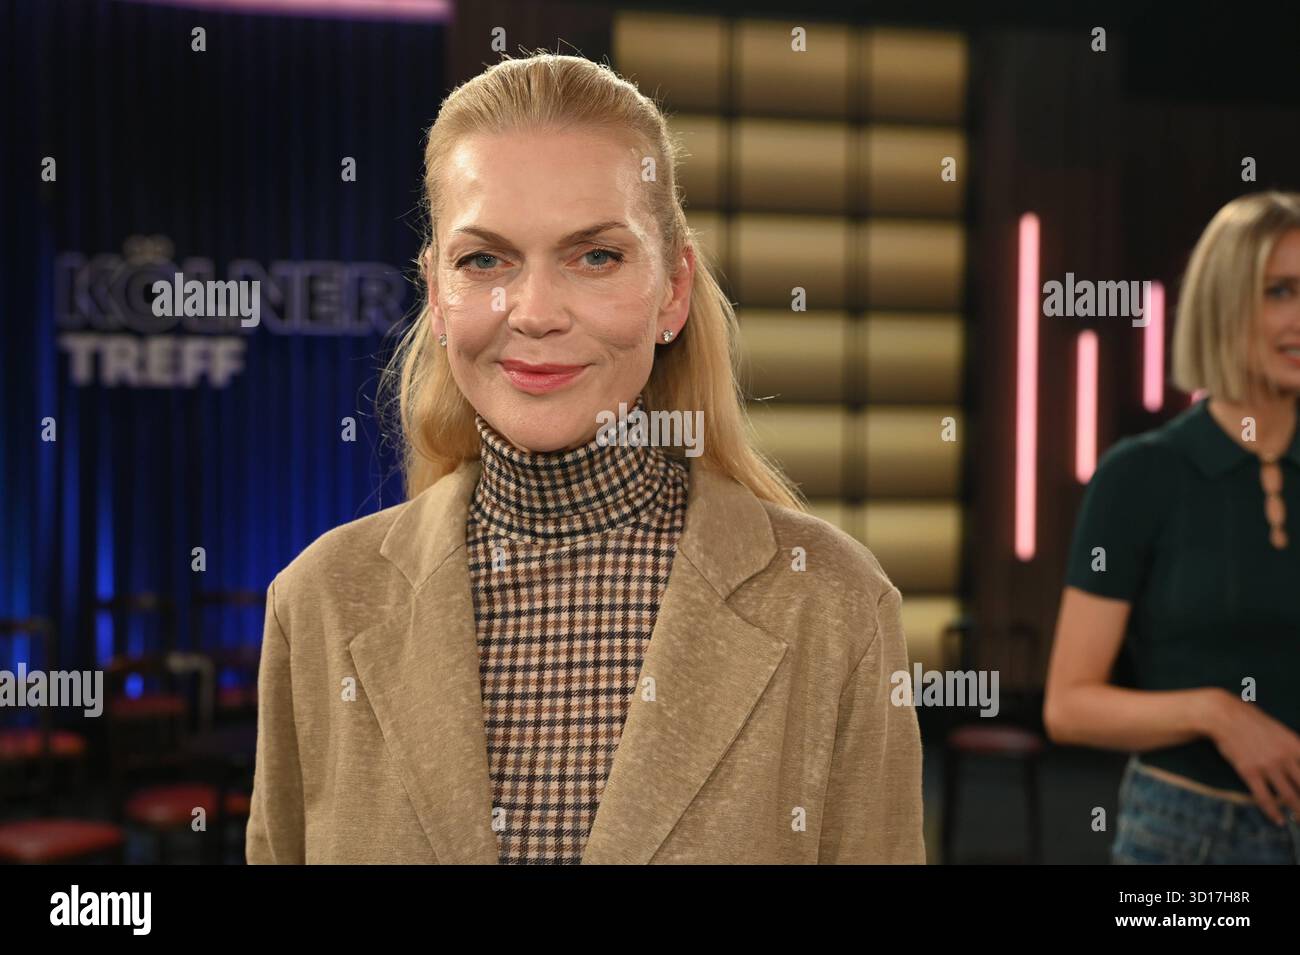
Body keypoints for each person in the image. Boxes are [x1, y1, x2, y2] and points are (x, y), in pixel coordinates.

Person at [245, 53, 924, 864]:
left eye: (595, 256)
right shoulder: (319, 603)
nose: (533, 313)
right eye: (484, 261)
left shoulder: (836, 604)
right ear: (435, 294)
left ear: (672, 290)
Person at [1044, 191, 1300, 864]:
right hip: (1188, 835)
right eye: (1280, 291)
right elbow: (1069, 705)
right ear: (1225, 303)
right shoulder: (1144, 475)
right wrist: (1218, 713)